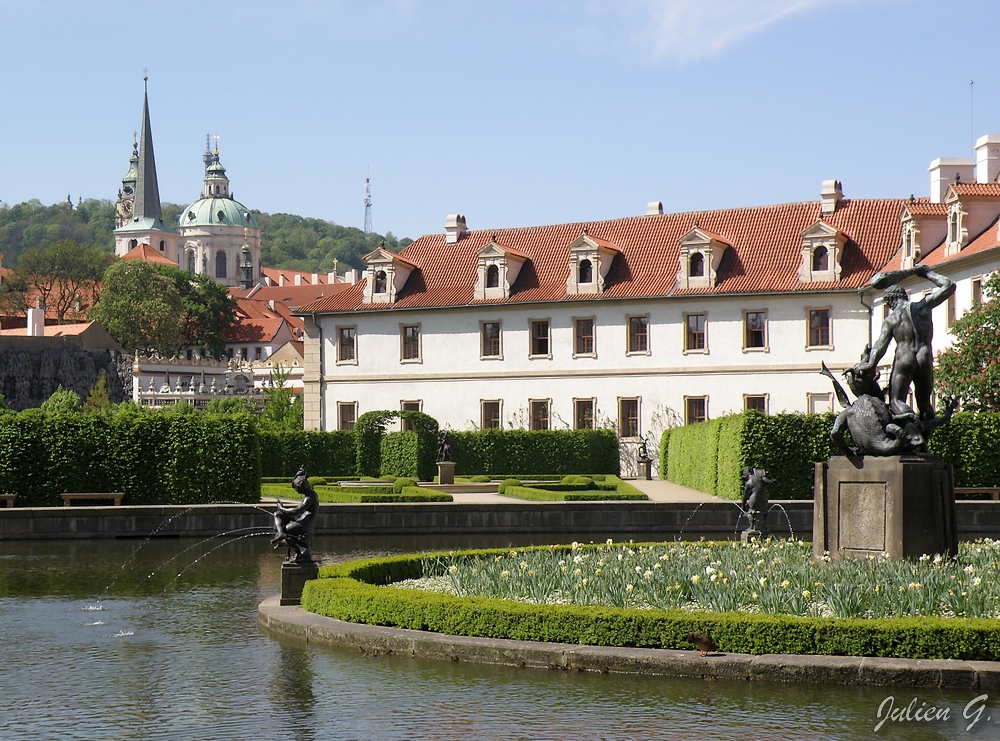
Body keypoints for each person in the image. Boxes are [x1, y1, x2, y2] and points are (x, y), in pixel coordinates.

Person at [854, 264, 955, 424]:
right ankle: (922, 445)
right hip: (924, 356)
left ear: (889, 302)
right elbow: (949, 285)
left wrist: (869, 364)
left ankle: (913, 430)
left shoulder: (891, 319)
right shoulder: (922, 307)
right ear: (905, 296)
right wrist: (926, 273)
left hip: (904, 358)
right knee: (925, 404)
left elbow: (880, 346)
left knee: (896, 401)